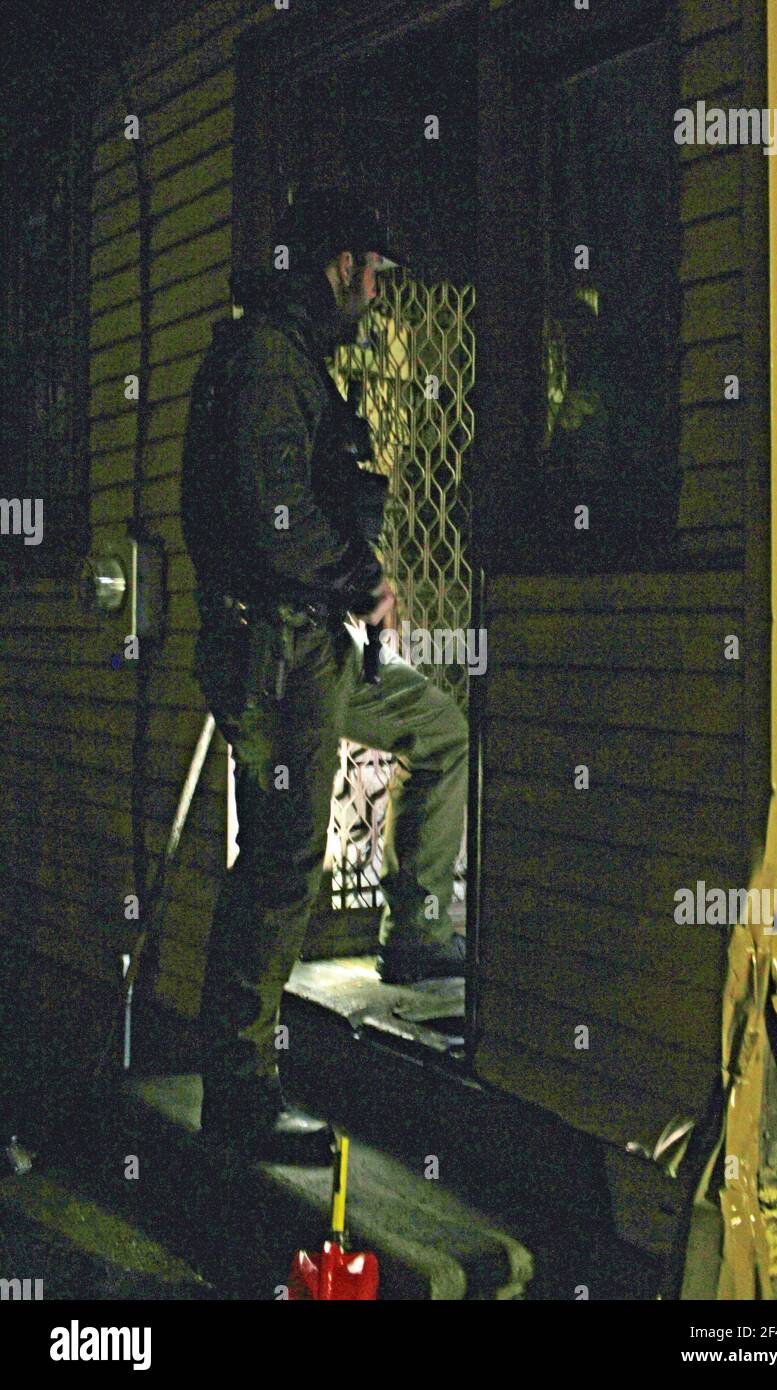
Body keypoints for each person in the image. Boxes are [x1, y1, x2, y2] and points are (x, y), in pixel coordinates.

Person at [180, 187, 468, 1164]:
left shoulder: (295, 360)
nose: (379, 294)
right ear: (341, 264)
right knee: (280, 864)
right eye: (375, 274)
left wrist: (357, 584)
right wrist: (362, 575)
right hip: (278, 648)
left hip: (318, 638)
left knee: (438, 732)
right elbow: (273, 518)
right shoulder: (267, 358)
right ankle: (240, 1093)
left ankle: (418, 930)